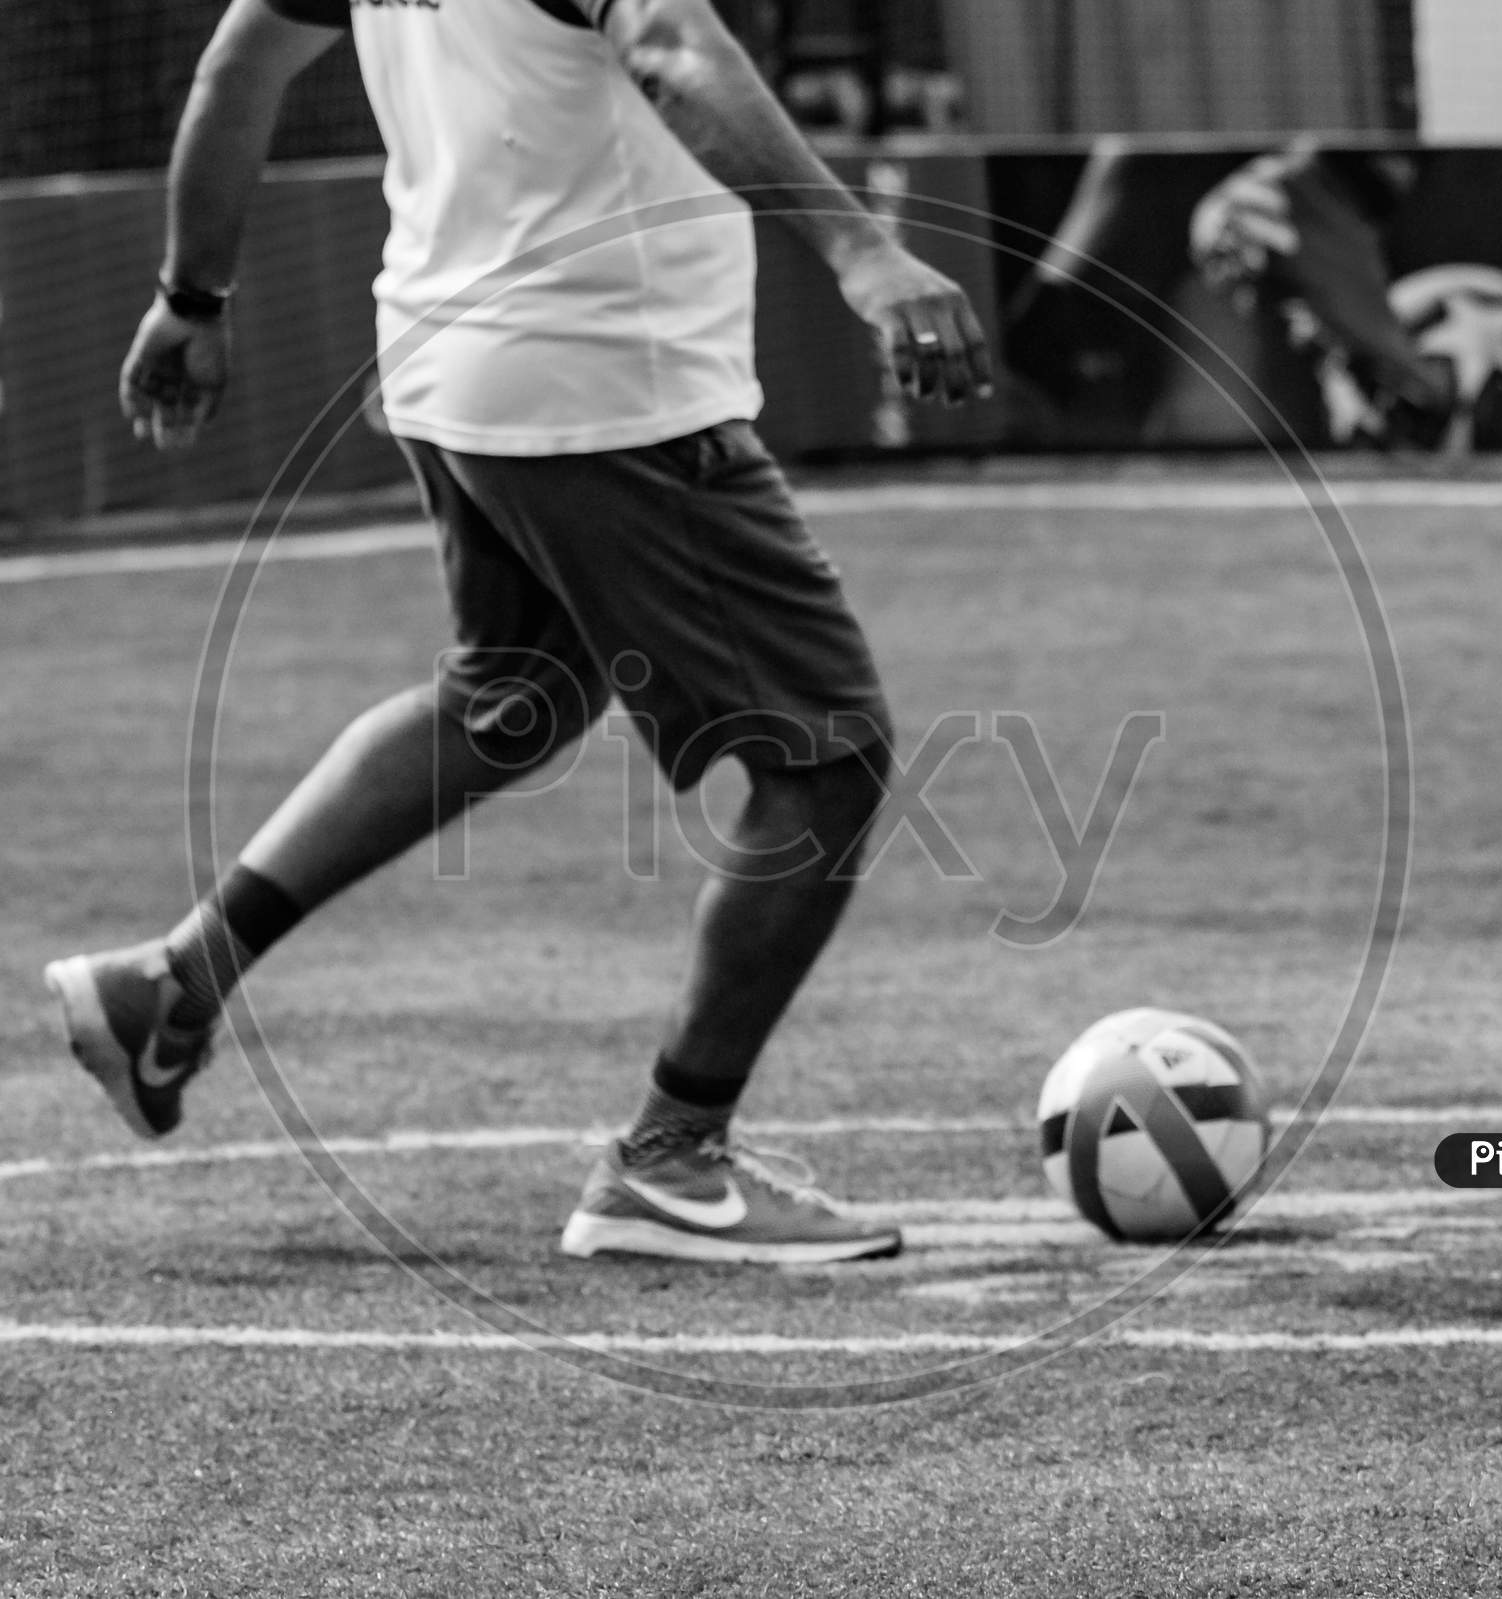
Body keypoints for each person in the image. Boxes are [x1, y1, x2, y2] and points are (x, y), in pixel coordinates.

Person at [45, 0, 992, 1265]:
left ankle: (173, 981)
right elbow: (669, 45)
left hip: (452, 360)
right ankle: (672, 1158)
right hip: (604, 384)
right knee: (827, 759)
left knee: (510, 695)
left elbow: (239, 64)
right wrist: (861, 251)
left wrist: (191, 294)